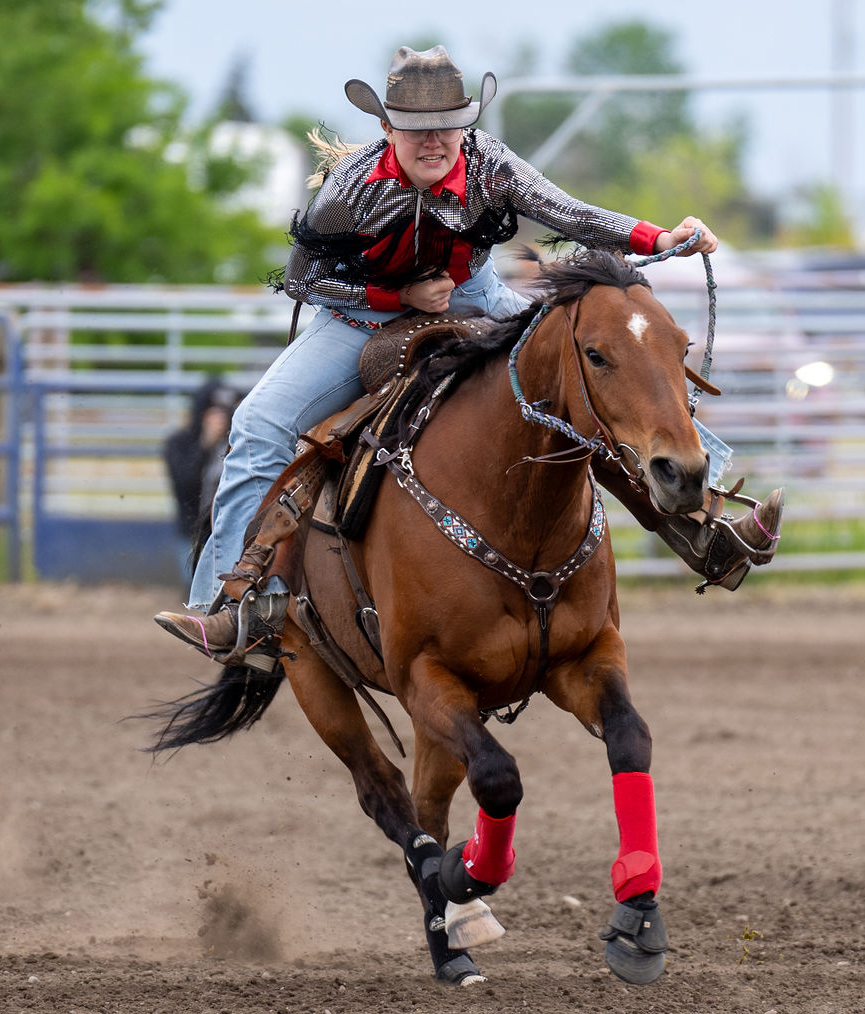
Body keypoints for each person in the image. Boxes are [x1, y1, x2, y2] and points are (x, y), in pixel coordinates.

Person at [156, 45, 755, 660]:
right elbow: (303, 278)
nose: (433, 140)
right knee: (258, 423)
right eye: (415, 128)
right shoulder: (350, 188)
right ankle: (226, 607)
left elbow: (568, 213)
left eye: (446, 125)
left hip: (471, 291)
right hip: (357, 313)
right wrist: (397, 294)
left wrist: (660, 237)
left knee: (582, 369)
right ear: (388, 129)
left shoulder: (490, 163)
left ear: (465, 126)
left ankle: (707, 524)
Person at [162, 379, 239, 598]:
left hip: (234, 532)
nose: (220, 419)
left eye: (225, 412)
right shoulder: (178, 443)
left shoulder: (240, 444)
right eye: (212, 412)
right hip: (193, 533)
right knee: (197, 593)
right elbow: (184, 485)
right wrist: (205, 444)